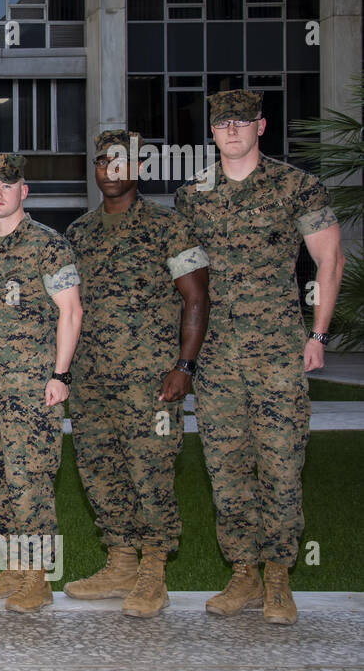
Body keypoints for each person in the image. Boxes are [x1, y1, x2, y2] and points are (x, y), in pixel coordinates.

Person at [175, 89, 344, 625]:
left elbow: (329, 258)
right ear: (212, 130)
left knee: (281, 464)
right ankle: (244, 572)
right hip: (217, 355)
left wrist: (316, 335)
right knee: (225, 468)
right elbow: (183, 280)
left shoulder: (296, 187)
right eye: (222, 122)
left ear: (261, 126)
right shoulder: (192, 194)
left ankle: (278, 579)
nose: (231, 130)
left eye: (241, 122)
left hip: (276, 351)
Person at [63, 130, 210, 617]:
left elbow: (196, 298)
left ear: (139, 169)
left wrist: (184, 366)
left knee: (150, 473)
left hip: (152, 381)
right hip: (91, 381)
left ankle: (153, 569)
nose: (111, 169)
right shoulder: (78, 234)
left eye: (121, 161)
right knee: (100, 471)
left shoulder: (170, 227)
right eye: (102, 161)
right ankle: (121, 560)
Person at [0, 153, 82, 613]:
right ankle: (14, 568)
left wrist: (60, 375)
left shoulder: (49, 245)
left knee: (29, 480)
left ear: (23, 192)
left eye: (6, 186)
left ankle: (38, 578)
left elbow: (70, 312)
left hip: (32, 390)